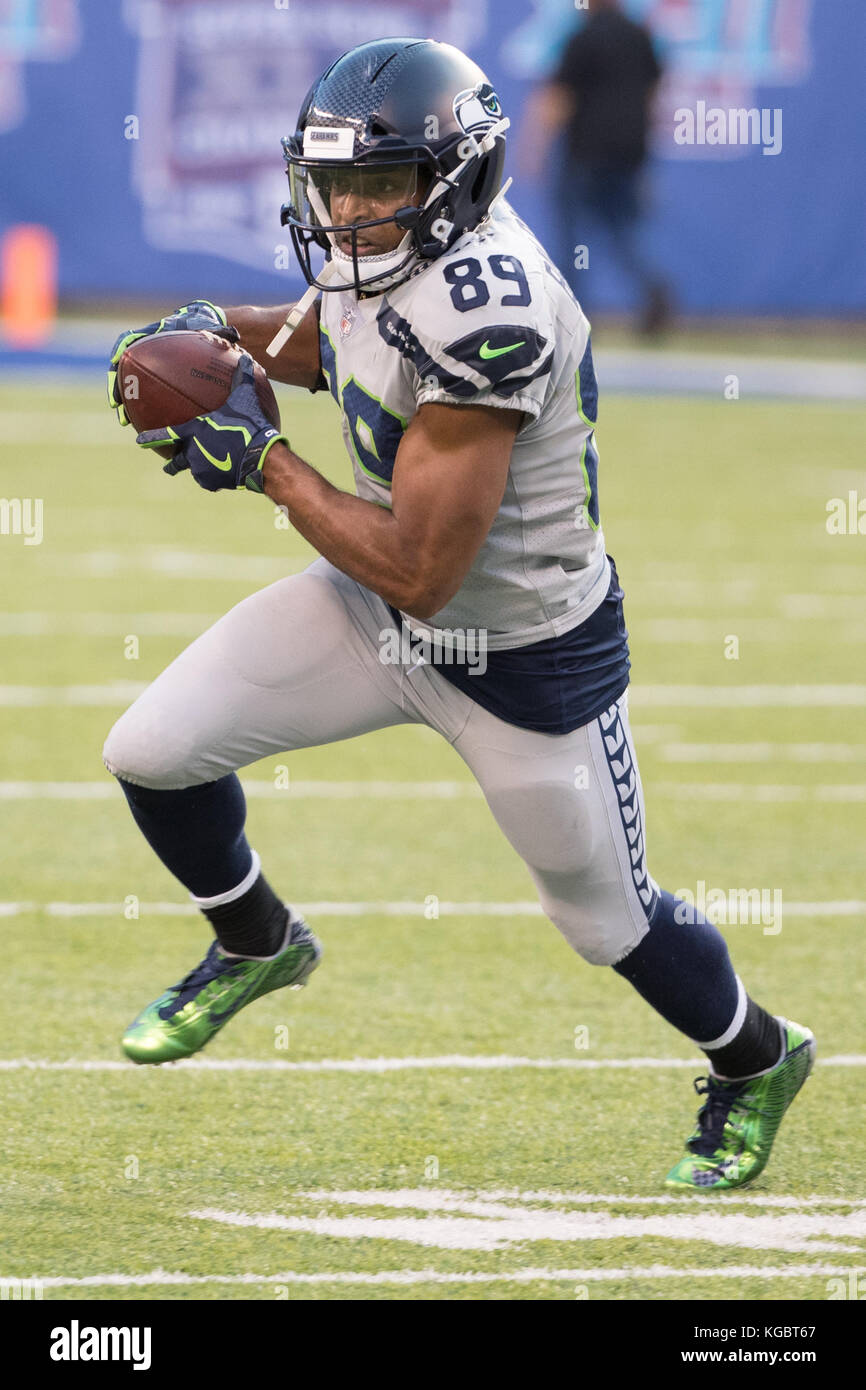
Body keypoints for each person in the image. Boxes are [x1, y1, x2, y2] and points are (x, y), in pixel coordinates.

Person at [104, 37, 813, 1190]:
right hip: (376, 610)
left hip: (519, 656)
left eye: (378, 187)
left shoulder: (496, 308)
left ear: (456, 182)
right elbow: (323, 344)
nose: (347, 213)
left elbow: (423, 567)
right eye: (333, 186)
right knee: (149, 751)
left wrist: (269, 466)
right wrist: (211, 333)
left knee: (605, 922)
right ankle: (255, 942)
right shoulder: (376, 252)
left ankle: (756, 1057)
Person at [524, 0, 671, 334]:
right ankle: (652, 287)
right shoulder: (640, 37)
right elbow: (652, 94)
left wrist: (537, 148)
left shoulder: (583, 39)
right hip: (629, 154)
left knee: (574, 240)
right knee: (624, 235)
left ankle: (573, 317)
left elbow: (560, 98)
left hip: (585, 156)